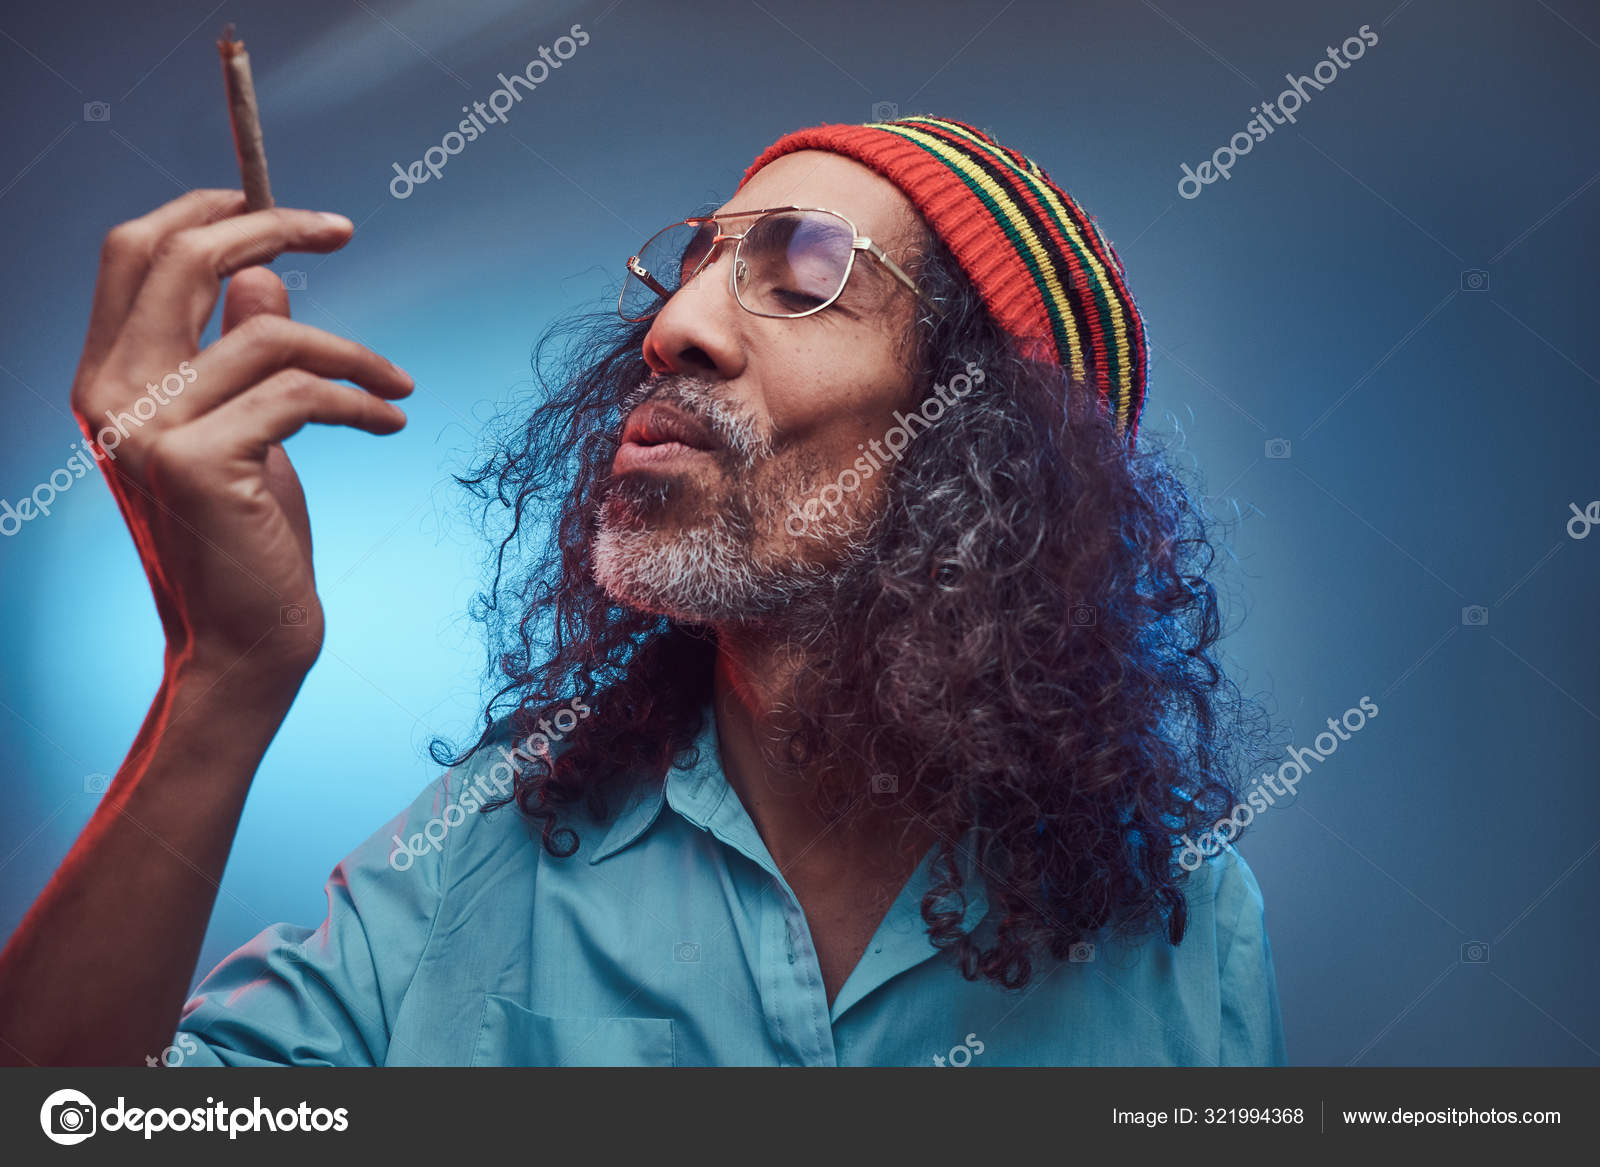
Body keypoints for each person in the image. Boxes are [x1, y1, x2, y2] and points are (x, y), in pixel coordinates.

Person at [0, 115, 1284, 1066]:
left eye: (802, 275)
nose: (675, 328)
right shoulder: (477, 854)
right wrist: (227, 672)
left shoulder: (1185, 933)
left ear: (982, 447)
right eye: (696, 267)